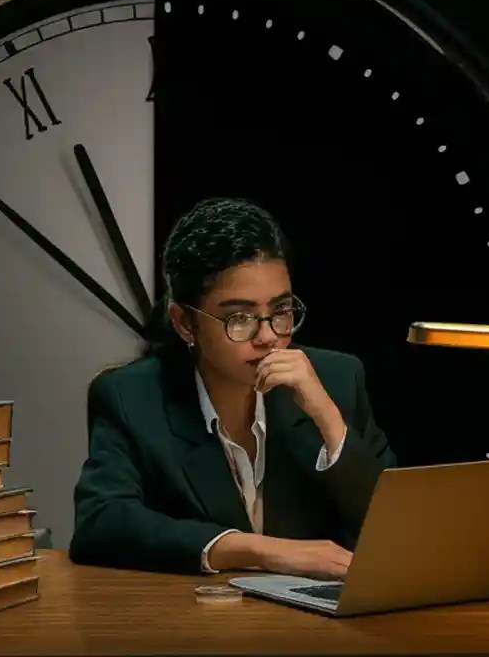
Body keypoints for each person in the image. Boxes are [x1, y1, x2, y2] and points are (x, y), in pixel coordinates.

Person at [68, 196, 397, 579]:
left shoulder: (337, 378)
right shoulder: (129, 396)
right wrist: (258, 550)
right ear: (185, 324)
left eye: (281, 311)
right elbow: (100, 524)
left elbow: (393, 532)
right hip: (198, 626)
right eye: (239, 318)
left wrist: (329, 421)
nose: (268, 336)